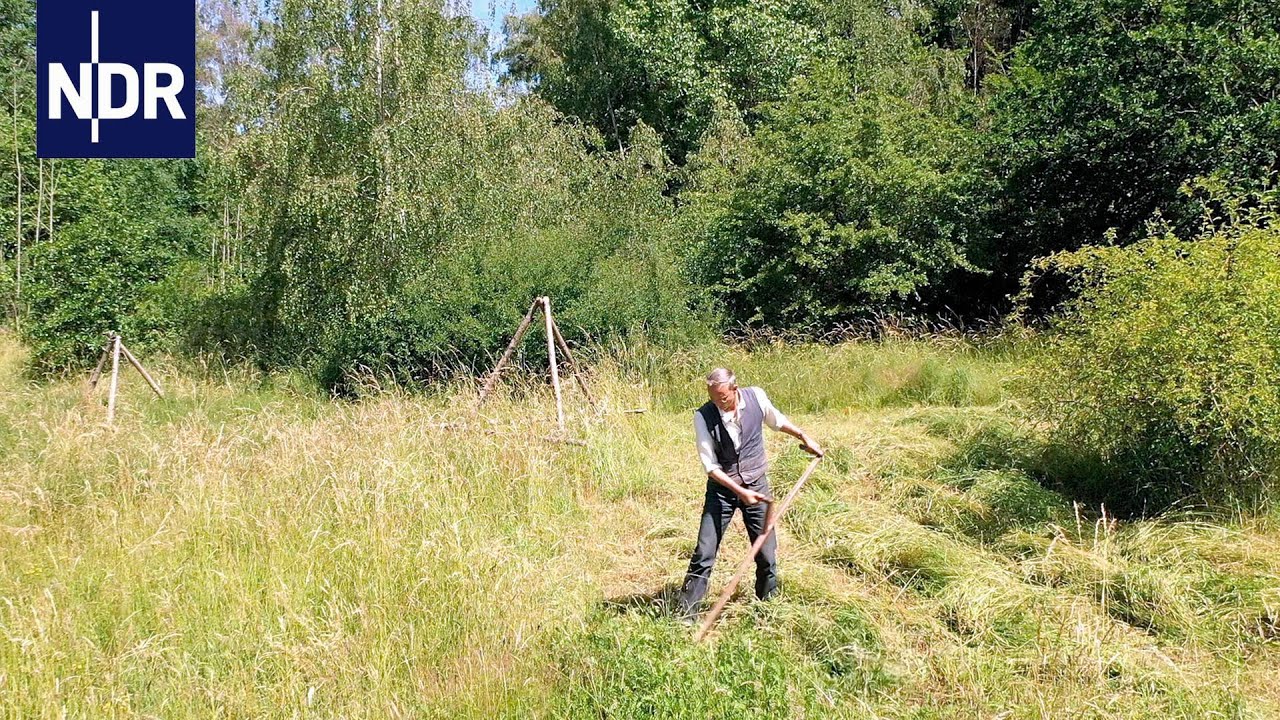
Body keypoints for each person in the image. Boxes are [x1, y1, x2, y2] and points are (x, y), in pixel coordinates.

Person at [677, 368, 823, 619]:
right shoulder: (703, 416)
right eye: (712, 397)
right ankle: (686, 615)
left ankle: (767, 607)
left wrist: (803, 436)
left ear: (735, 388)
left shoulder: (756, 397)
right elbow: (710, 466)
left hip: (757, 485)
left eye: (722, 397)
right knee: (704, 551)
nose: (717, 403)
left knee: (766, 552)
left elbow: (776, 420)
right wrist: (739, 491)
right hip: (722, 491)